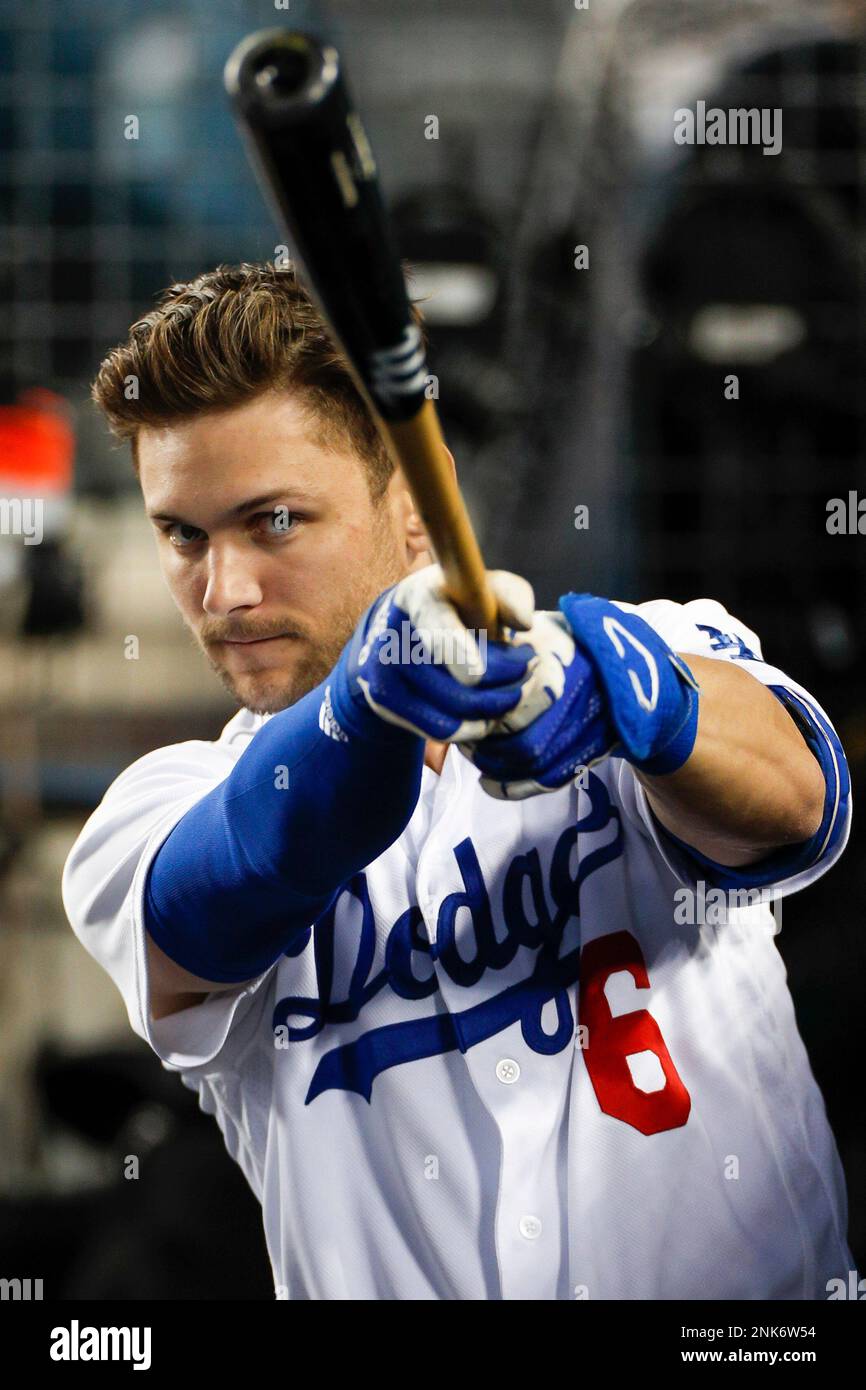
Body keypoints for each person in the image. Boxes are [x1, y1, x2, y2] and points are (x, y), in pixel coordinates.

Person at [63, 261, 853, 1300]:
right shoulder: (161, 810)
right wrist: (368, 697)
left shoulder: (651, 647)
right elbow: (236, 874)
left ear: (411, 506)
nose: (227, 590)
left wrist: (632, 701)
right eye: (183, 535)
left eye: (275, 521)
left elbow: (799, 795)